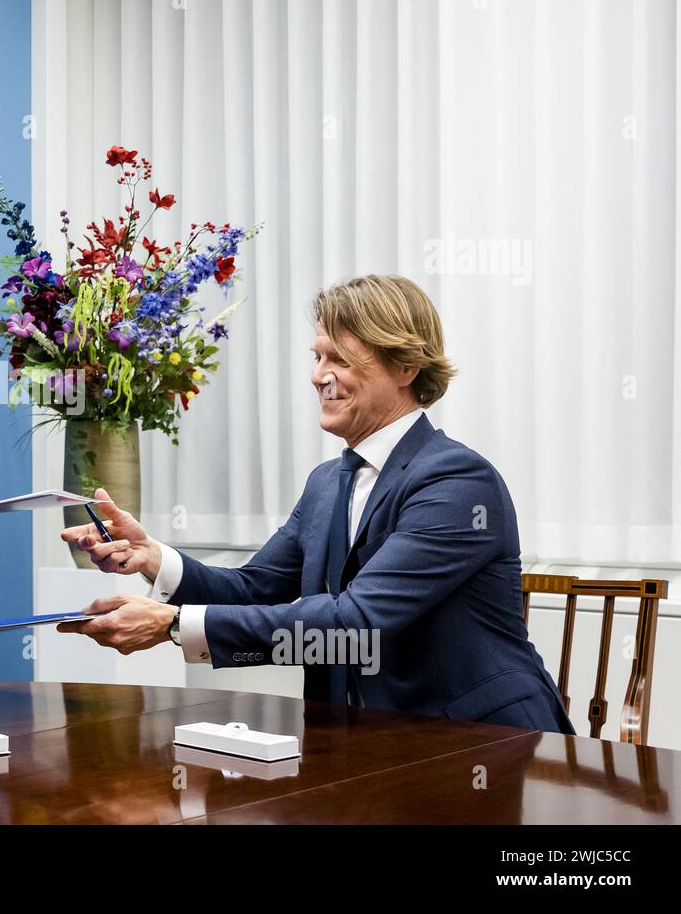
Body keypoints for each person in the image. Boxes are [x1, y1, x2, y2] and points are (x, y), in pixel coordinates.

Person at [59, 275, 575, 734]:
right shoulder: (328, 482)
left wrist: (172, 624)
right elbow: (256, 588)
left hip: (483, 746)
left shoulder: (459, 482)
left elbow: (357, 621)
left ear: (406, 366)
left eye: (339, 359)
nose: (317, 375)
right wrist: (152, 556)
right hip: (368, 747)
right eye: (317, 356)